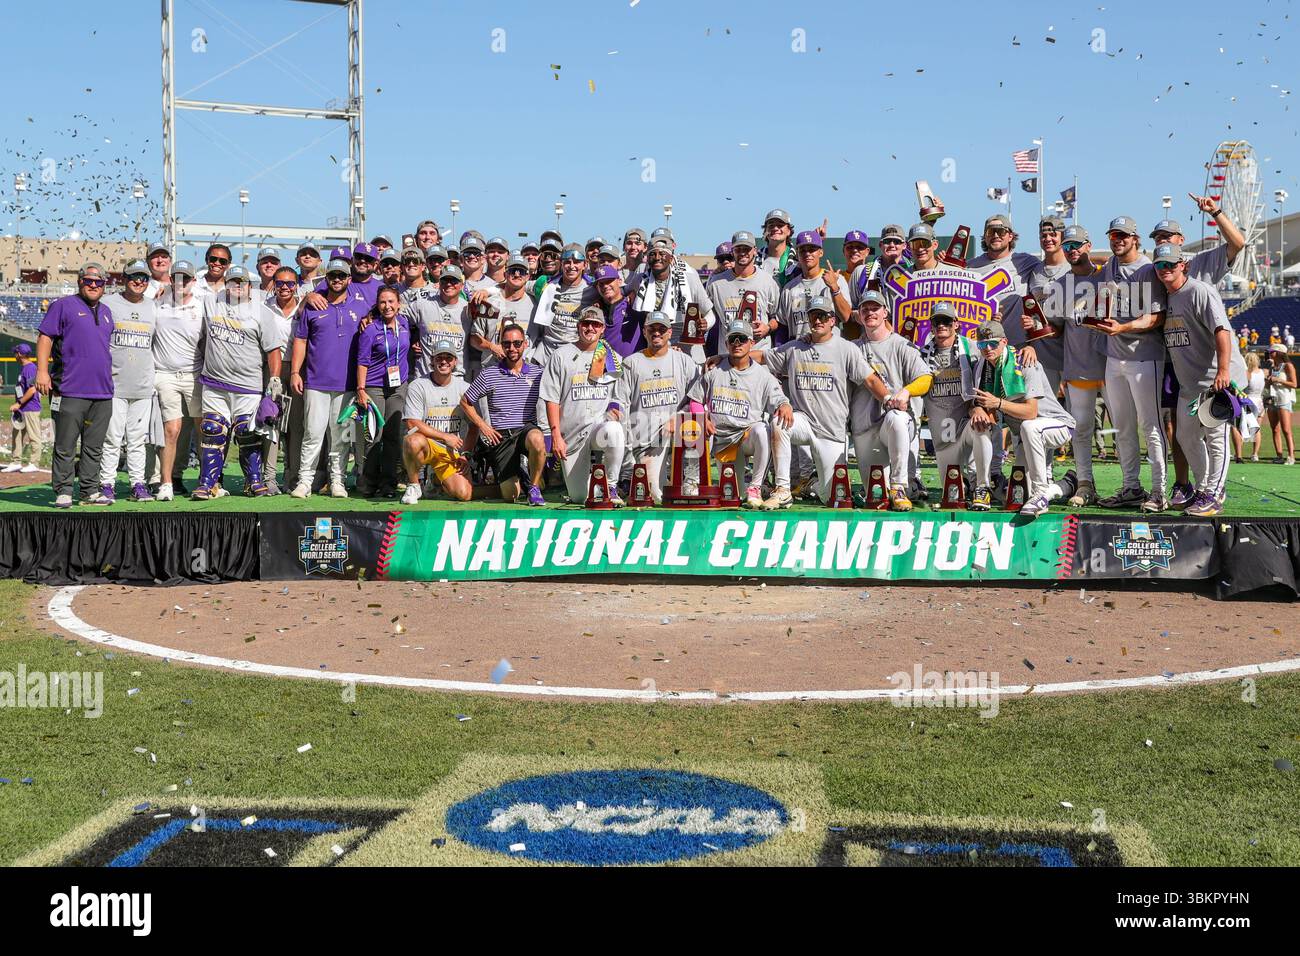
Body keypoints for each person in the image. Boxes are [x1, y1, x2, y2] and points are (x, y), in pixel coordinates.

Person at [753, 298, 889, 508]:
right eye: (814, 316)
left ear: (833, 320)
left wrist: (888, 400)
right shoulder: (796, 348)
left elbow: (870, 379)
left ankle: (813, 486)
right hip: (803, 422)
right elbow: (762, 357)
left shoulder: (846, 348)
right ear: (808, 319)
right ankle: (782, 489)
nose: (818, 320)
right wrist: (725, 357)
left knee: (832, 497)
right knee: (778, 422)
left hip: (831, 431)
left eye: (823, 316)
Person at [1153, 243, 1249, 515]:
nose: (1165, 270)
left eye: (1171, 264)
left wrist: (1223, 371)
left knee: (1217, 439)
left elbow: (1222, 331)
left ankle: (1215, 493)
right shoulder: (1168, 297)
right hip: (1188, 386)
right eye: (1160, 265)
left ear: (1183, 264)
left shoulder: (1199, 291)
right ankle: (1204, 486)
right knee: (1185, 437)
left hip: (1212, 383)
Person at [1091, 215, 1167, 511]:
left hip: (1144, 356)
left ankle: (1159, 492)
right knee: (1122, 428)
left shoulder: (1149, 270)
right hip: (1114, 357)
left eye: (1123, 235)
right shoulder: (1111, 263)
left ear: (1136, 238)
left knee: (1150, 427)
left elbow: (1157, 317)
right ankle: (1131, 487)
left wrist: (1122, 328)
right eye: (1113, 235)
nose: (1117, 240)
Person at [970, 320, 1078, 519]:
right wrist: (978, 408)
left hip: (1056, 424)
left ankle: (1040, 495)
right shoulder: (982, 367)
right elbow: (986, 409)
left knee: (1030, 427)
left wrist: (999, 403)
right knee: (1015, 495)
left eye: (992, 344)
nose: (987, 349)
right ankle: (1067, 484)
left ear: (1004, 341)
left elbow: (1031, 412)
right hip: (1025, 436)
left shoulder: (1024, 361)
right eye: (982, 345)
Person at [192, 265, 283, 499]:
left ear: (250, 285)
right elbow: (183, 296)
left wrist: (274, 378)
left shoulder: (262, 312)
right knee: (212, 431)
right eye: (233, 281)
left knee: (247, 433)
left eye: (242, 282)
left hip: (248, 385)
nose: (237, 286)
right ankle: (207, 482)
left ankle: (252, 481)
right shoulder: (211, 302)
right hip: (215, 383)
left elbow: (273, 349)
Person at [687, 319, 792, 508]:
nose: (737, 343)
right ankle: (695, 484)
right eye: (732, 339)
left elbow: (780, 400)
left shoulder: (763, 375)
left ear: (751, 343)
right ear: (726, 343)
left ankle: (756, 487)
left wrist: (785, 405)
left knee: (762, 429)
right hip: (719, 437)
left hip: (745, 437)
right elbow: (695, 400)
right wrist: (702, 418)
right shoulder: (713, 371)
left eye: (742, 339)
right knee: (694, 424)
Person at [35, 263, 115, 508]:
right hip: (68, 389)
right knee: (65, 445)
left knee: (94, 447)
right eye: (88, 281)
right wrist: (41, 371)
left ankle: (90, 490)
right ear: (80, 282)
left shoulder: (107, 311)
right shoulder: (63, 306)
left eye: (98, 282)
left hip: (102, 392)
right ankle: (64, 490)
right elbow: (45, 337)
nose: (93, 285)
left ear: (104, 285)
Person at [1041, 225, 1108, 507]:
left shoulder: (1107, 277)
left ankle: (1134, 487)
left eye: (1077, 245)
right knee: (1080, 429)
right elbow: (1055, 329)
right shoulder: (1059, 286)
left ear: (1089, 245)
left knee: (1128, 429)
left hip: (1113, 365)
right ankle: (1084, 483)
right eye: (1067, 246)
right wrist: (1037, 327)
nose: (1072, 250)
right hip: (1079, 367)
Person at [289, 258, 367, 498]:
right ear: (327, 278)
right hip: (316, 381)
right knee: (312, 433)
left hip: (347, 385)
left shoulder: (361, 307)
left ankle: (338, 481)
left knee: (342, 436)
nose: (336, 280)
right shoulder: (314, 305)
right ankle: (305, 481)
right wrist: (294, 372)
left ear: (349, 280)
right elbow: (300, 341)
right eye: (332, 276)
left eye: (341, 276)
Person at [848, 292, 933, 511]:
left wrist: (906, 391)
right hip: (864, 428)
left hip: (892, 427)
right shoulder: (852, 348)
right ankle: (889, 488)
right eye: (865, 309)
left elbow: (926, 378)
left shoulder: (902, 345)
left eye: (875, 308)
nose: (870, 313)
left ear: (885, 312)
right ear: (859, 315)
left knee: (897, 417)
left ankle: (899, 485)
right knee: (875, 496)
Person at [541, 305, 627, 506]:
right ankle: (596, 485)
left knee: (614, 430)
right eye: (586, 324)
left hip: (598, 426)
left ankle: (611, 486)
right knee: (580, 497)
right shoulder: (561, 355)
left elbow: (620, 393)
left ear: (603, 328)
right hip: (571, 432)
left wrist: (615, 407)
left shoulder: (610, 356)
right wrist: (555, 436)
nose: (590, 328)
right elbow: (551, 398)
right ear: (578, 326)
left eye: (595, 324)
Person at [612, 311, 700, 503]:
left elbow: (696, 399)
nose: (657, 333)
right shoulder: (631, 363)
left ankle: (691, 482)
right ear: (644, 332)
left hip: (676, 434)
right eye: (652, 329)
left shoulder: (684, 360)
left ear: (669, 332)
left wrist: (679, 417)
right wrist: (628, 451)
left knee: (696, 424)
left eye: (662, 329)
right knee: (657, 497)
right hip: (647, 441)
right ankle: (659, 479)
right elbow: (622, 406)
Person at [459, 323, 548, 505]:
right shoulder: (489, 374)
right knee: (510, 495)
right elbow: (465, 402)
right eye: (506, 344)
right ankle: (522, 474)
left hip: (526, 431)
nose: (512, 348)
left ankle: (534, 487)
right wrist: (483, 426)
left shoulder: (538, 373)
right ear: (501, 345)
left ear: (525, 344)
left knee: (538, 439)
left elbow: (555, 397)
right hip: (502, 437)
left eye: (517, 343)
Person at [922, 301, 993, 509]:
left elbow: (998, 354)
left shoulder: (971, 349)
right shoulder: (922, 354)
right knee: (951, 493)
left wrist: (1028, 349)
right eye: (937, 322)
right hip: (943, 436)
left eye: (946, 321)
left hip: (966, 424)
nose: (941, 325)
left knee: (981, 425)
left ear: (956, 323)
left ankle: (983, 487)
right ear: (931, 326)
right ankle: (968, 483)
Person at [97, 261, 156, 502]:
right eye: (134, 276)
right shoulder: (109, 303)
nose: (139, 281)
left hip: (142, 385)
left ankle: (137, 484)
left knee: (137, 440)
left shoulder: (154, 307)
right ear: (124, 278)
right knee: (112, 438)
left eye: (143, 277)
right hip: (114, 384)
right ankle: (107, 483)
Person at [151, 259, 206, 501]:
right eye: (176, 277)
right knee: (171, 429)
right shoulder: (157, 303)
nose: (181, 282)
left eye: (186, 277)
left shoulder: (202, 306)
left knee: (202, 428)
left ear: (194, 281)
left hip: (194, 374)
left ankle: (208, 480)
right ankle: (166, 482)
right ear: (170, 280)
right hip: (164, 374)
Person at [402, 338, 478, 504]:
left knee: (464, 494)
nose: (444, 361)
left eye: (448, 358)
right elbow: (411, 423)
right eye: (439, 357)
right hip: (426, 444)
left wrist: (465, 454)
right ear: (431, 360)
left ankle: (434, 480)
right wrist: (445, 436)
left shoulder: (464, 388)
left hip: (451, 451)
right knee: (412, 440)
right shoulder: (417, 385)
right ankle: (414, 485)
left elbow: (474, 426)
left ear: (455, 362)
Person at [355, 286, 413, 497]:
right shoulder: (371, 330)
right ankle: (368, 481)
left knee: (393, 435)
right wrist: (361, 389)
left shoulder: (404, 324)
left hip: (398, 387)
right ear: (377, 306)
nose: (387, 306)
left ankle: (388, 483)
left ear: (398, 304)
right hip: (374, 386)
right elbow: (362, 362)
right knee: (374, 435)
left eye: (391, 302)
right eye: (382, 302)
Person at [625, 237, 715, 360]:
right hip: (657, 351)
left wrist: (706, 324)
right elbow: (619, 293)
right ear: (647, 259)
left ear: (671, 258)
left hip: (688, 351)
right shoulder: (640, 280)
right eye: (653, 254)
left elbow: (710, 314)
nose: (657, 258)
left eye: (662, 254)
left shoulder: (690, 279)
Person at [704, 230, 781, 353]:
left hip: (758, 356)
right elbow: (706, 314)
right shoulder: (716, 283)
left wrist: (767, 327)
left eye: (747, 248)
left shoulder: (769, 281)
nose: (742, 253)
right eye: (738, 249)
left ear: (755, 250)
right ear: (732, 251)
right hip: (727, 357)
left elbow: (778, 318)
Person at [263, 265, 301, 495]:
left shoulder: (305, 305)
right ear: (273, 285)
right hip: (271, 369)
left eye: (289, 283)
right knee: (271, 424)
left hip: (298, 369)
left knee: (296, 426)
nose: (285, 288)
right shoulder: (263, 308)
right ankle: (269, 477)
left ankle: (293, 476)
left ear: (296, 286)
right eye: (280, 283)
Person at [777, 230, 852, 341]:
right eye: (803, 250)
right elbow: (782, 326)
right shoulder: (789, 288)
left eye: (812, 249)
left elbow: (846, 317)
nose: (807, 254)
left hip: (829, 351)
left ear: (820, 252)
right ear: (797, 254)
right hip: (799, 351)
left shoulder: (836, 280)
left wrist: (834, 288)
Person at [530, 246, 595, 363]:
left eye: (576, 262)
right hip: (547, 352)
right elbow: (517, 285)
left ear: (585, 264)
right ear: (561, 263)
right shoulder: (546, 284)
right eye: (567, 262)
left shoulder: (593, 289)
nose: (571, 266)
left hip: (575, 352)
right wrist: (486, 291)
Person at [404, 264, 470, 379]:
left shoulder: (468, 310)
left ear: (461, 285)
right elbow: (398, 319)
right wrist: (412, 338)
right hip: (425, 378)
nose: (449, 284)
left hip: (456, 378)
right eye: (445, 280)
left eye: (454, 281)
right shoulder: (422, 304)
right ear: (439, 283)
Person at [470, 255, 536, 368]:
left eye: (521, 271)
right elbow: (473, 338)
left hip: (525, 374)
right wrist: (492, 347)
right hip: (493, 370)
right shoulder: (489, 303)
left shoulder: (536, 305)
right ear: (505, 274)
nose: (517, 274)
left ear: (528, 276)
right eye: (512, 270)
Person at [5, 343, 43, 474]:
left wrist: (19, 403)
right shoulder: (24, 368)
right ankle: (16, 461)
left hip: (30, 408)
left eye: (16, 353)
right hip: (22, 409)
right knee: (16, 435)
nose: (14, 355)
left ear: (20, 354)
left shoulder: (30, 368)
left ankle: (34, 463)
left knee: (34, 436)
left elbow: (32, 389)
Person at [849, 224, 906, 309]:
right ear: (880, 244)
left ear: (904, 245)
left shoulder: (911, 271)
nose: (892, 245)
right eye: (887, 241)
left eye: (897, 242)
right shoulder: (861, 272)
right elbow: (852, 309)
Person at [1265, 343, 1296, 465]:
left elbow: (1294, 384)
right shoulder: (1273, 367)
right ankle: (1279, 456)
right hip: (1272, 399)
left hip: (1284, 400)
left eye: (1272, 351)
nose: (1270, 353)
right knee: (1275, 429)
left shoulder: (1288, 366)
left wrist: (1279, 380)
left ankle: (1291, 456)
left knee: (1286, 429)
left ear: (1278, 352)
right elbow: (1271, 384)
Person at [1234, 350, 1267, 462]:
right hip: (1259, 401)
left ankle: (1239, 454)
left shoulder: (1247, 373)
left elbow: (1240, 387)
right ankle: (1255, 454)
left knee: (1240, 427)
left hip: (1248, 401)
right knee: (1257, 428)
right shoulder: (1263, 372)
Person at [757, 208, 799, 288]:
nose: (775, 228)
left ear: (789, 231)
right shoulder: (754, 262)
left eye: (780, 225)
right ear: (765, 231)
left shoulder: (798, 261)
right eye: (771, 225)